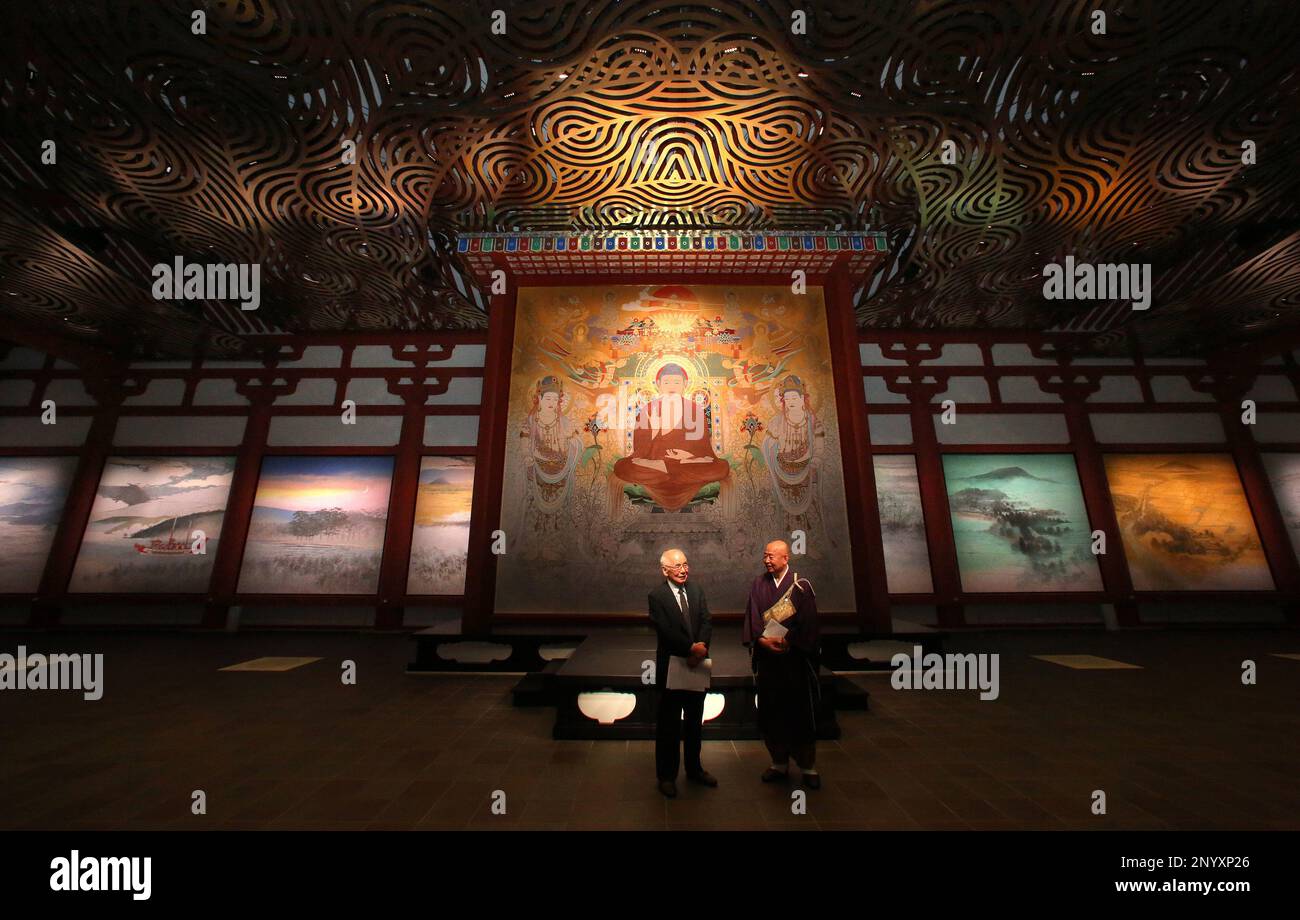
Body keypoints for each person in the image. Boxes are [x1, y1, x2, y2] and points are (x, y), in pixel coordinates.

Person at [742, 540, 822, 789]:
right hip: (768, 660)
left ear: (786, 558)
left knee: (798, 713)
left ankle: (807, 766)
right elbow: (753, 616)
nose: (767, 560)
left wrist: (791, 642)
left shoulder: (800, 587)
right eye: (765, 556)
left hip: (793, 661)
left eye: (772, 557)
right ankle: (778, 763)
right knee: (771, 711)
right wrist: (762, 641)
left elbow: (809, 623)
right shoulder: (758, 584)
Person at [647, 547, 718, 798]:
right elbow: (664, 630)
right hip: (672, 668)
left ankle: (695, 769)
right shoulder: (656, 596)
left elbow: (706, 620)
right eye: (677, 566)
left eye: (685, 564)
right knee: (668, 725)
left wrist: (701, 648)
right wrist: (690, 647)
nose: (683, 570)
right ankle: (666, 776)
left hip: (697, 665)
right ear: (665, 570)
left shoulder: (697, 590)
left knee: (694, 723)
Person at [612, 363, 730, 511]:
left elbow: (704, 450)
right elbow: (640, 450)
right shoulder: (648, 409)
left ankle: (665, 468)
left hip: (686, 464)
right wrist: (655, 430)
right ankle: (664, 468)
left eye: (676, 382)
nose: (671, 386)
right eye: (667, 382)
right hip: (655, 461)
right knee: (622, 466)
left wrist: (687, 457)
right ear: (659, 384)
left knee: (721, 467)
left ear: (685, 384)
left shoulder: (696, 410)